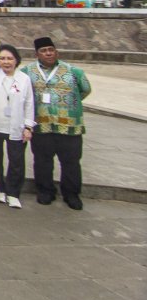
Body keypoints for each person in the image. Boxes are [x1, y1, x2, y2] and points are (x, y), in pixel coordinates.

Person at [25, 36, 91, 210]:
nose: (48, 53)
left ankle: (71, 194)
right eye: (43, 51)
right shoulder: (27, 72)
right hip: (41, 125)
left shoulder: (74, 71)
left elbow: (85, 90)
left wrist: (68, 105)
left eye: (51, 50)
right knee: (42, 160)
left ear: (56, 51)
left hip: (69, 126)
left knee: (71, 162)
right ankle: (45, 191)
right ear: (37, 53)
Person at [0, 44, 35, 209]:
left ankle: (13, 193)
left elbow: (29, 103)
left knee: (16, 161)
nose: (6, 62)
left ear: (16, 60)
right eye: (2, 58)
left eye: (9, 58)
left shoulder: (24, 78)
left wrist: (28, 127)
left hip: (16, 126)